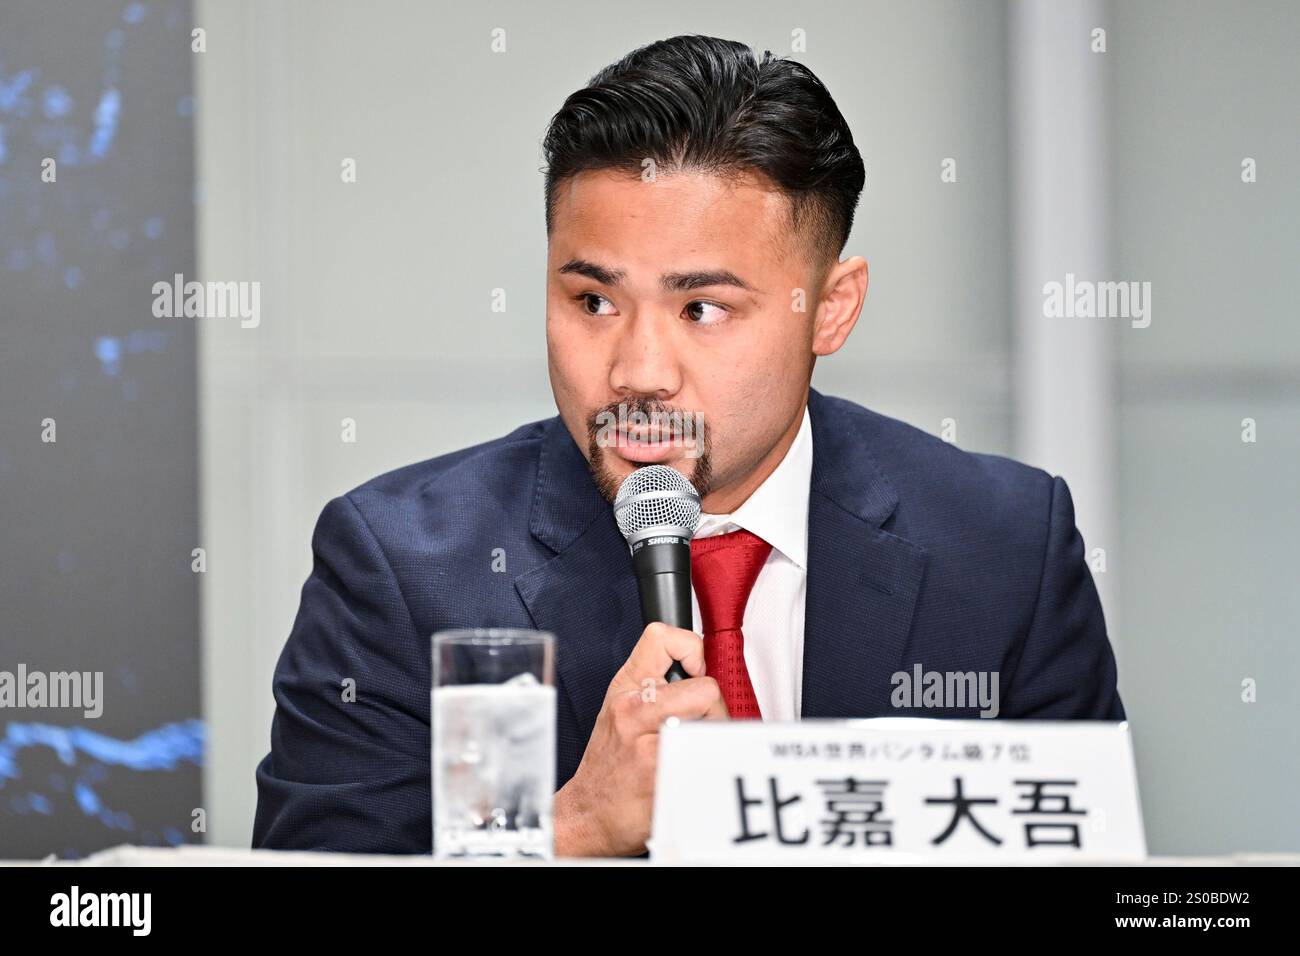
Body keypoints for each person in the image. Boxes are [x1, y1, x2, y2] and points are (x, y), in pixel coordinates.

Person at [253, 34, 1124, 858]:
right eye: (593, 302)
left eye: (702, 309)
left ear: (831, 307)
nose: (637, 371)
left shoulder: (1004, 545)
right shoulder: (402, 565)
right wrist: (570, 830)